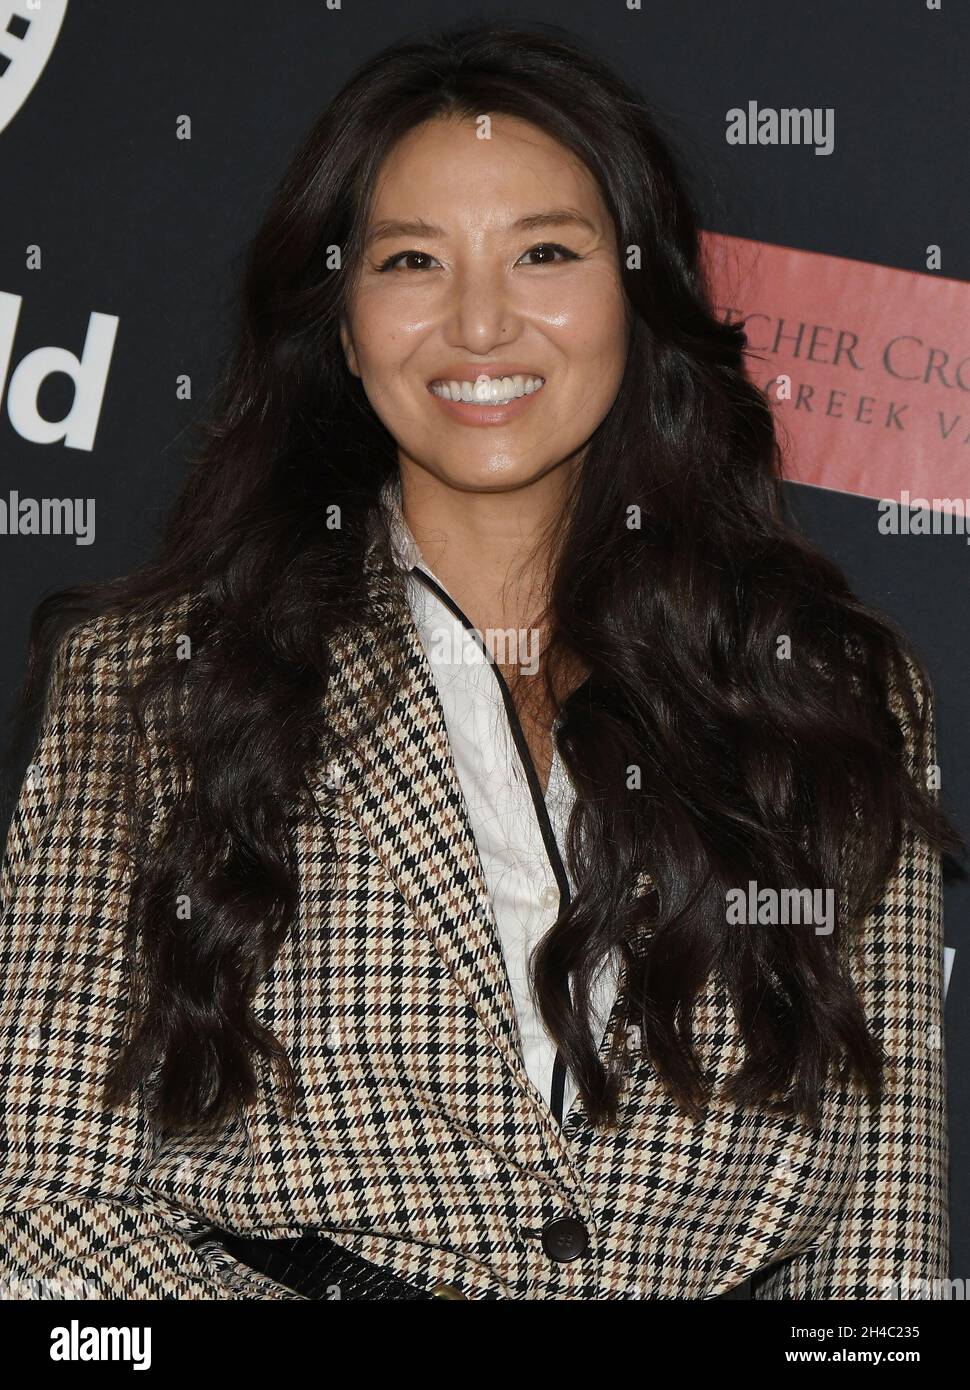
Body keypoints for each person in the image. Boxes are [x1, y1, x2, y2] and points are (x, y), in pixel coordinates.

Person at [0, 22, 958, 1301]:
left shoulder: (832, 696)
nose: (479, 320)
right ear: (341, 323)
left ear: (640, 293)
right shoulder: (156, 686)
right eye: (410, 261)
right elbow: (40, 1204)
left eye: (545, 253)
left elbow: (880, 1254)